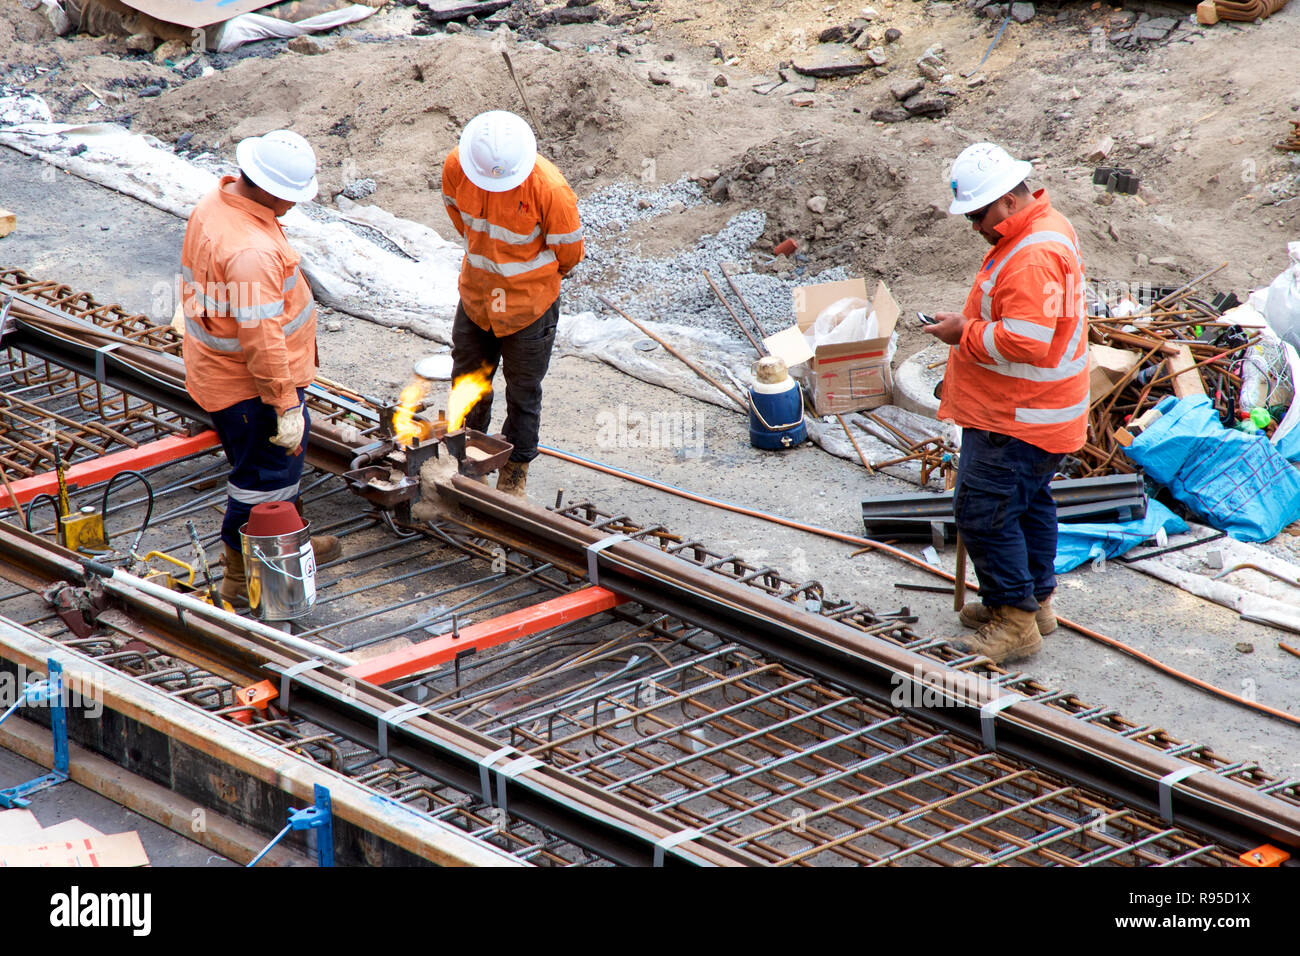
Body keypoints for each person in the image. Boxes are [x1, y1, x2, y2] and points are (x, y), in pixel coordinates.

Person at [922, 142, 1088, 664]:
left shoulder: (1033, 253)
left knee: (984, 514)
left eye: (979, 214)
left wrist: (961, 333)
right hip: (1045, 414)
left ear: (1009, 202)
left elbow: (1025, 340)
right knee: (1028, 504)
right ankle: (1034, 602)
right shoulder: (1046, 227)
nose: (975, 227)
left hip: (1015, 417)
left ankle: (1014, 621)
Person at [179, 129, 340, 606]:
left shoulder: (217, 203)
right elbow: (263, 337)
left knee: (259, 469)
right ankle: (241, 573)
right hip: (253, 389)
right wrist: (285, 404)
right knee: (263, 483)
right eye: (290, 196)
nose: (293, 205)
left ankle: (291, 542)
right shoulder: (250, 251)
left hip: (217, 371)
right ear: (268, 188)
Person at [441, 110, 584, 498]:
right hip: (477, 298)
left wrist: (524, 279)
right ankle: (468, 460)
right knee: (469, 381)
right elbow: (458, 215)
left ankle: (515, 470)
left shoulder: (549, 189)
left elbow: (570, 253)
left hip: (527, 308)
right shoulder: (458, 166)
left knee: (522, 390)